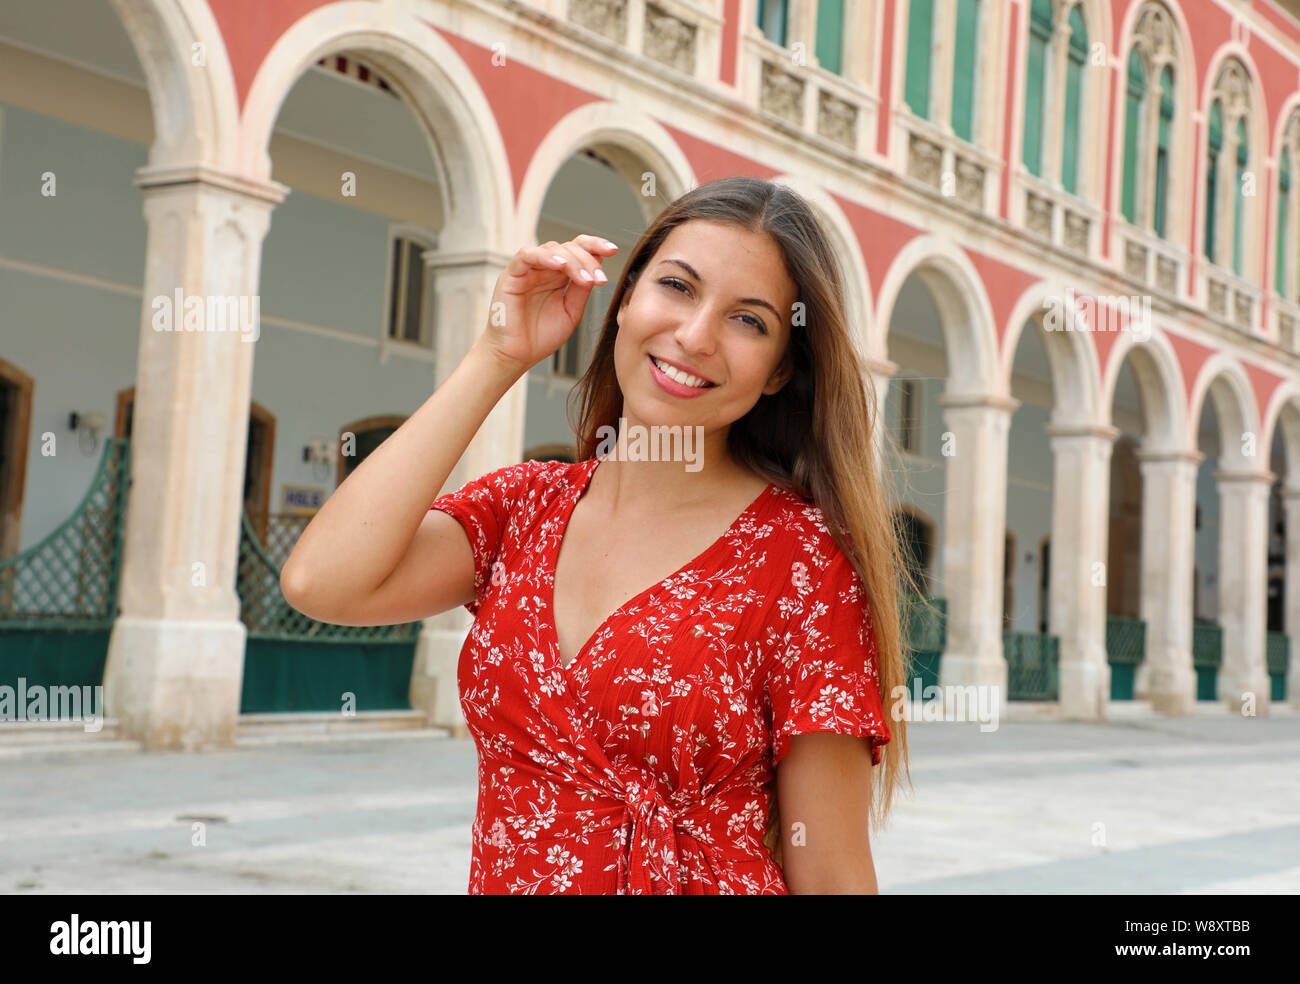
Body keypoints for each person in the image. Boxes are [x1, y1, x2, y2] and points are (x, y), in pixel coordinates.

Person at [281, 176, 913, 894]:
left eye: (749, 322)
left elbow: (831, 872)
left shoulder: (801, 560)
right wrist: (498, 357)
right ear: (625, 299)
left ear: (779, 374)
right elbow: (322, 582)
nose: (696, 335)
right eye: (677, 287)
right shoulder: (525, 510)